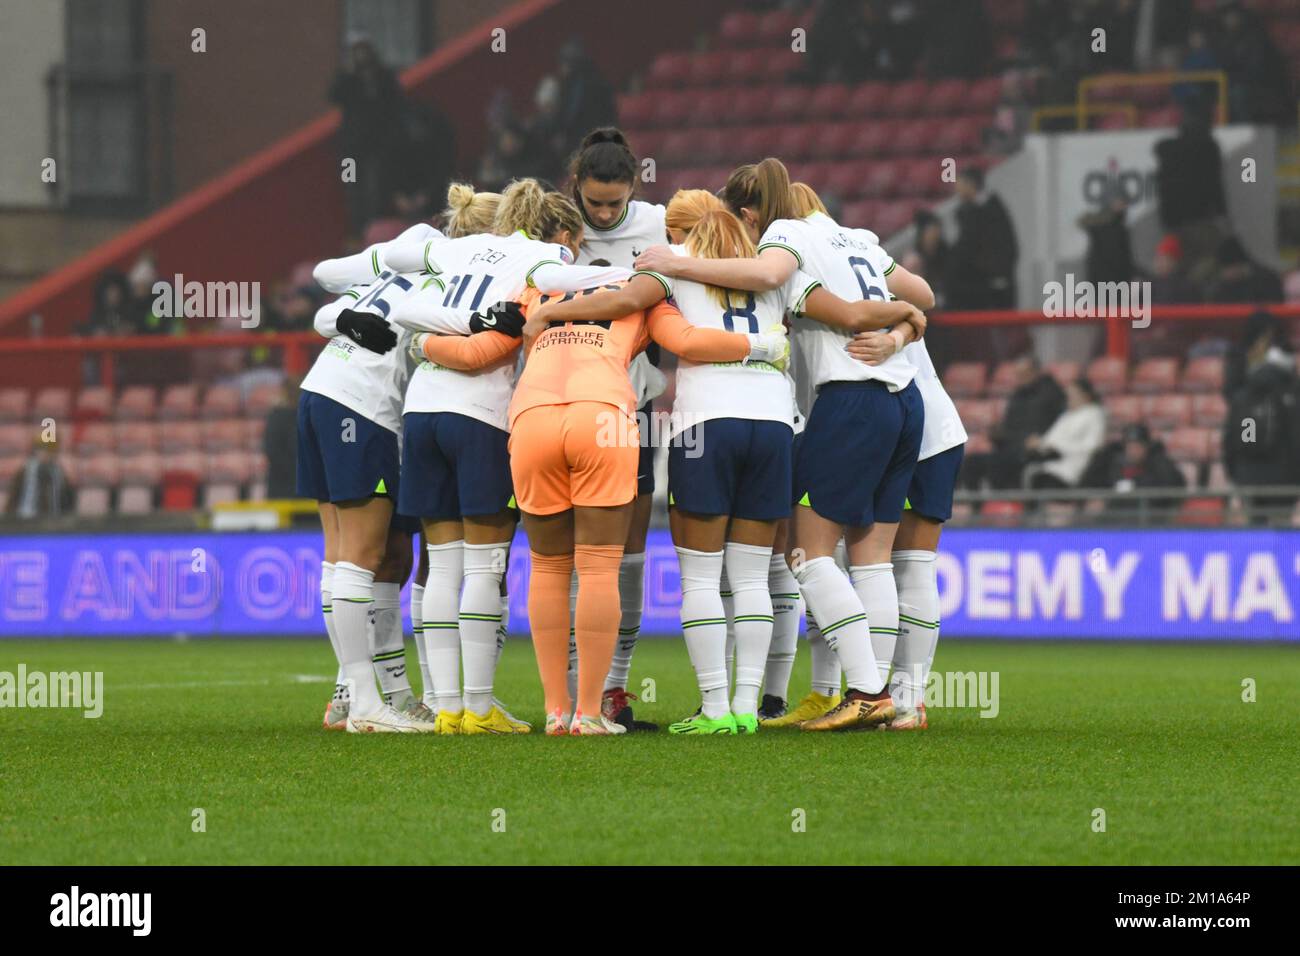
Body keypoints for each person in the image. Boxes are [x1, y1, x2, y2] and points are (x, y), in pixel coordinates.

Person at [416, 277, 789, 735]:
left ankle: (556, 710)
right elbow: (688, 340)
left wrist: (420, 341)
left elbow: (477, 350)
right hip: (601, 417)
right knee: (597, 569)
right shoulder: (641, 293)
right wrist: (764, 344)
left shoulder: (538, 292)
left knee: (549, 568)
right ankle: (589, 714)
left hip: (531, 418)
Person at [636, 157, 931, 731]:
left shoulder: (765, 252)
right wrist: (904, 322)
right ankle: (776, 704)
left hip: (754, 415)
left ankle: (748, 706)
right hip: (825, 415)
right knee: (852, 563)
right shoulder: (858, 240)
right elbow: (914, 295)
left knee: (781, 561)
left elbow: (687, 327)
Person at [380, 179, 636, 734]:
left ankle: (444, 706)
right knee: (486, 566)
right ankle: (478, 705)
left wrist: (423, 343)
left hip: (421, 411)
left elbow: (397, 296)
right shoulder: (539, 266)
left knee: (441, 566)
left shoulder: (451, 253)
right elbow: (483, 352)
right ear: (563, 235)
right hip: (484, 417)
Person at [565, 127, 669, 730]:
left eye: (615, 203)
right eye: (594, 202)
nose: (604, 215)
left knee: (628, 555)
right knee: (576, 559)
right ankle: (575, 693)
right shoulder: (553, 226)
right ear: (575, 184)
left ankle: (615, 690)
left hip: (636, 407)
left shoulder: (660, 223)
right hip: (563, 405)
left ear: (635, 186)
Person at [300, 258, 432, 733]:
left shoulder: (402, 262)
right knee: (362, 557)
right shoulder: (434, 261)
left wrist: (341, 318)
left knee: (370, 556)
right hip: (363, 408)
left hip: (320, 395)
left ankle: (366, 692)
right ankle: (362, 701)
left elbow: (324, 297)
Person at [1223, 320, 1300, 523]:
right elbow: (1295, 439)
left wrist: (1236, 475)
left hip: (1247, 478)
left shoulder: (1242, 394)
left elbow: (1229, 440)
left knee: (1254, 537)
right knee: (1282, 539)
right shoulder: (1291, 394)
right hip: (1284, 481)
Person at [329, 35, 405, 235]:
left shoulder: (383, 76)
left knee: (377, 188)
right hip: (351, 149)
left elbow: (396, 104)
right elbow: (333, 96)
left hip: (378, 146)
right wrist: (348, 73)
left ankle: (375, 228)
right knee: (352, 187)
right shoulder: (348, 78)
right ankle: (356, 231)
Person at [962, 353, 1065, 490]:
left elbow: (1061, 424)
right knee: (972, 461)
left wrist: (1042, 440)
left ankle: (1005, 504)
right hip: (1011, 447)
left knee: (999, 465)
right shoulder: (1017, 395)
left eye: (1024, 374)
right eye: (1018, 374)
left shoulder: (1052, 393)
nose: (1020, 378)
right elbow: (1009, 427)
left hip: (1034, 452)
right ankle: (975, 505)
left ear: (1036, 371)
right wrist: (996, 433)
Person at [1079, 424, 1186, 521]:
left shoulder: (1160, 465)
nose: (1133, 451)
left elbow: (1169, 494)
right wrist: (1098, 500)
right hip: (1114, 521)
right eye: (1130, 446)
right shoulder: (1112, 463)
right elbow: (1090, 485)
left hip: (1148, 523)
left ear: (1146, 447)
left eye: (1138, 446)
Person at [948, 167, 1018, 310]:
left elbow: (1004, 247)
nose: (957, 189)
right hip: (975, 286)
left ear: (970, 184)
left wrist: (998, 275)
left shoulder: (993, 211)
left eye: (959, 184)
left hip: (995, 284)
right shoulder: (966, 211)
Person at [1023, 379, 1107, 491]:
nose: (1069, 398)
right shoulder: (1066, 416)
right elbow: (1050, 441)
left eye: (1073, 394)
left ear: (1086, 396)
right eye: (1068, 395)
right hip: (1050, 464)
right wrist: (1038, 443)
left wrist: (1057, 446)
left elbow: (1093, 446)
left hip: (1072, 469)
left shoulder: (1095, 414)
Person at [5, 438, 73, 519]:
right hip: (26, 517)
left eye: (49, 450)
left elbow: (65, 496)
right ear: (36, 451)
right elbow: (14, 494)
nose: (45, 453)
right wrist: (9, 514)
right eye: (42, 449)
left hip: (52, 518)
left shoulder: (58, 471)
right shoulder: (26, 469)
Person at [263, 379, 299, 499]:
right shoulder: (278, 417)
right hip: (289, 486)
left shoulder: (276, 417)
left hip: (283, 486)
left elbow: (271, 450)